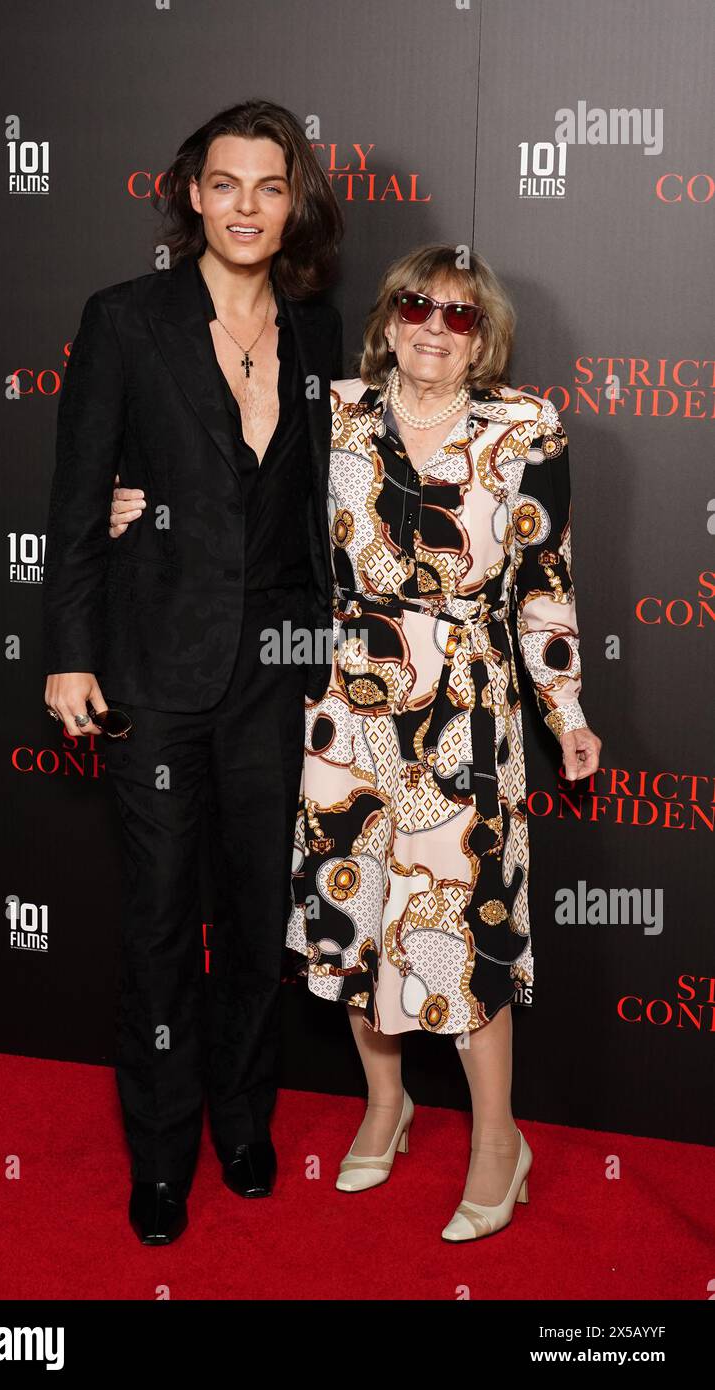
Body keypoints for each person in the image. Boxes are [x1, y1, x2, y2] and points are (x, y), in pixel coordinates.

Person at [111, 242, 602, 1244]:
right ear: (386, 320)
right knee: (355, 921)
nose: (433, 326)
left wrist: (568, 711)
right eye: (416, 305)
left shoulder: (525, 426)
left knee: (465, 935)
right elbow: (233, 488)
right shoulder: (330, 410)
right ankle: (386, 1103)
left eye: (459, 315)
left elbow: (545, 582)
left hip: (465, 708)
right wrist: (135, 502)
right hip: (345, 711)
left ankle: (499, 1141)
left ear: (482, 338)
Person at [41, 99, 343, 1246]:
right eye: (226, 184)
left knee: (259, 912)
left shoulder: (320, 334)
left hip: (277, 671)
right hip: (155, 670)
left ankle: (243, 1121)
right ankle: (161, 1153)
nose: (247, 207)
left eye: (270, 186)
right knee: (163, 924)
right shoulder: (125, 322)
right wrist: (70, 650)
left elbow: (332, 505)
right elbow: (77, 504)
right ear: (191, 194)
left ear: (295, 199)